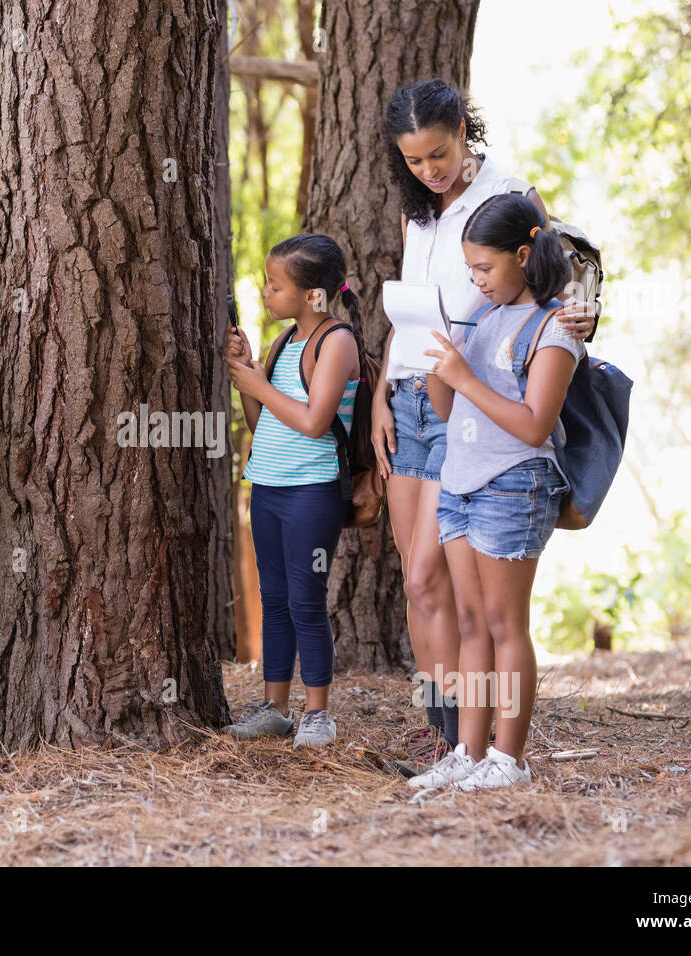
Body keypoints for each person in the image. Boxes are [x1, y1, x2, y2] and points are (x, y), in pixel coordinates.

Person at [374, 79, 595, 777]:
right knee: (417, 584)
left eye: (438, 154)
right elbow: (412, 307)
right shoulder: (418, 214)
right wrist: (382, 387)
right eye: (414, 162)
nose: (430, 171)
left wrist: (578, 316)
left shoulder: (509, 194)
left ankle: (475, 745)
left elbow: (559, 279)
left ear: (463, 132)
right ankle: (450, 739)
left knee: (460, 590)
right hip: (415, 390)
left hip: (474, 404)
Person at [409, 192, 584, 790]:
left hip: (513, 486)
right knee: (470, 622)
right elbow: (445, 406)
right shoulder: (483, 318)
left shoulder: (555, 327)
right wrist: (439, 370)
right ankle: (469, 750)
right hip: (458, 483)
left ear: (524, 253)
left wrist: (463, 376)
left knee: (506, 624)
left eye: (485, 268)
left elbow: (535, 423)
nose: (477, 281)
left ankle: (509, 759)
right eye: (470, 270)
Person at [223, 234, 362, 749]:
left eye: (276, 285)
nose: (265, 292)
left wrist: (259, 387)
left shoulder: (337, 341)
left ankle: (318, 713)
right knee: (275, 599)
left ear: (314, 296)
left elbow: (313, 420)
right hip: (269, 486)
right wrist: (249, 379)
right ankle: (276, 708)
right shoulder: (284, 344)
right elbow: (266, 425)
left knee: (307, 600)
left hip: (313, 492)